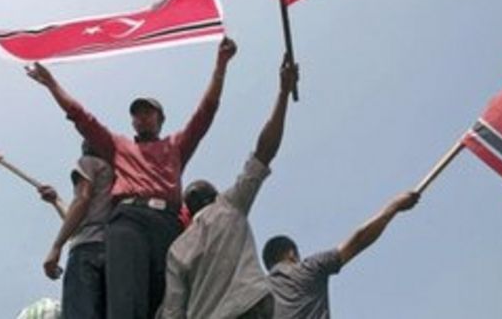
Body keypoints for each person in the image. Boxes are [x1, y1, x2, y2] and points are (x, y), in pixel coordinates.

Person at [26, 36, 237, 319]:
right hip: (128, 221)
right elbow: (83, 118)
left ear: (160, 118)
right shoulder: (119, 146)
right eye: (136, 114)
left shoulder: (176, 145)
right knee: (124, 303)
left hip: (168, 226)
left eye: (148, 112)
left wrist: (221, 65)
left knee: (165, 304)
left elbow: (206, 111)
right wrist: (52, 85)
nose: (141, 118)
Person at [159, 55, 299, 319]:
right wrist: (282, 94)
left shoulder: (176, 251)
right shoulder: (230, 203)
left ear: (188, 211)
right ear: (215, 195)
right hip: (251, 304)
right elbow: (263, 153)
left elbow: (173, 312)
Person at [262, 191, 420, 319]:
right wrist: (394, 206)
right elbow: (358, 240)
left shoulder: (256, 294)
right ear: (291, 254)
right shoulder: (309, 268)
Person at [39, 141, 114, 319]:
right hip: (112, 252)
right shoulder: (114, 177)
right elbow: (80, 219)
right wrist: (56, 201)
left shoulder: (88, 163)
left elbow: (82, 200)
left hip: (87, 253)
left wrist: (57, 247)